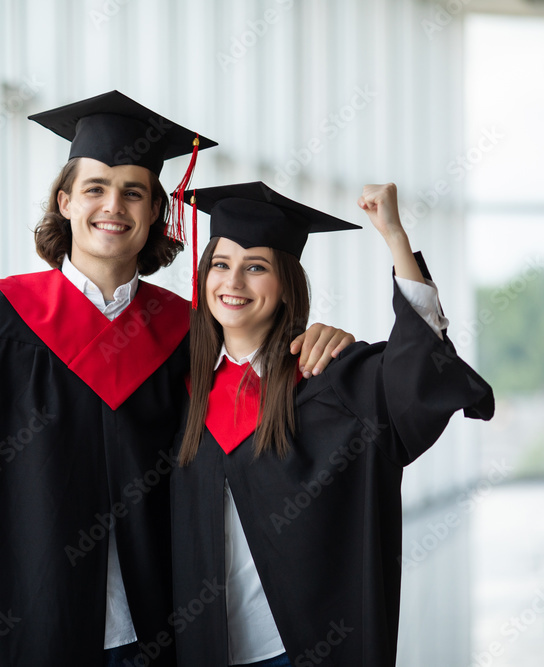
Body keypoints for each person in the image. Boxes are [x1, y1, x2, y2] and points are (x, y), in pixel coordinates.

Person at [0, 92, 354, 666]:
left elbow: (263, 404)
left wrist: (322, 343)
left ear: (156, 211)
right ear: (65, 202)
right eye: (95, 188)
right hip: (13, 630)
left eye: (134, 192)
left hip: (147, 633)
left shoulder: (187, 333)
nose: (114, 206)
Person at [169, 181, 494, 666]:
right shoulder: (183, 393)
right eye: (221, 264)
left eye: (256, 267)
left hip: (297, 648)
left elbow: (418, 372)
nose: (232, 282)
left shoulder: (331, 380)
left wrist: (395, 238)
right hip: (206, 645)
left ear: (285, 287)